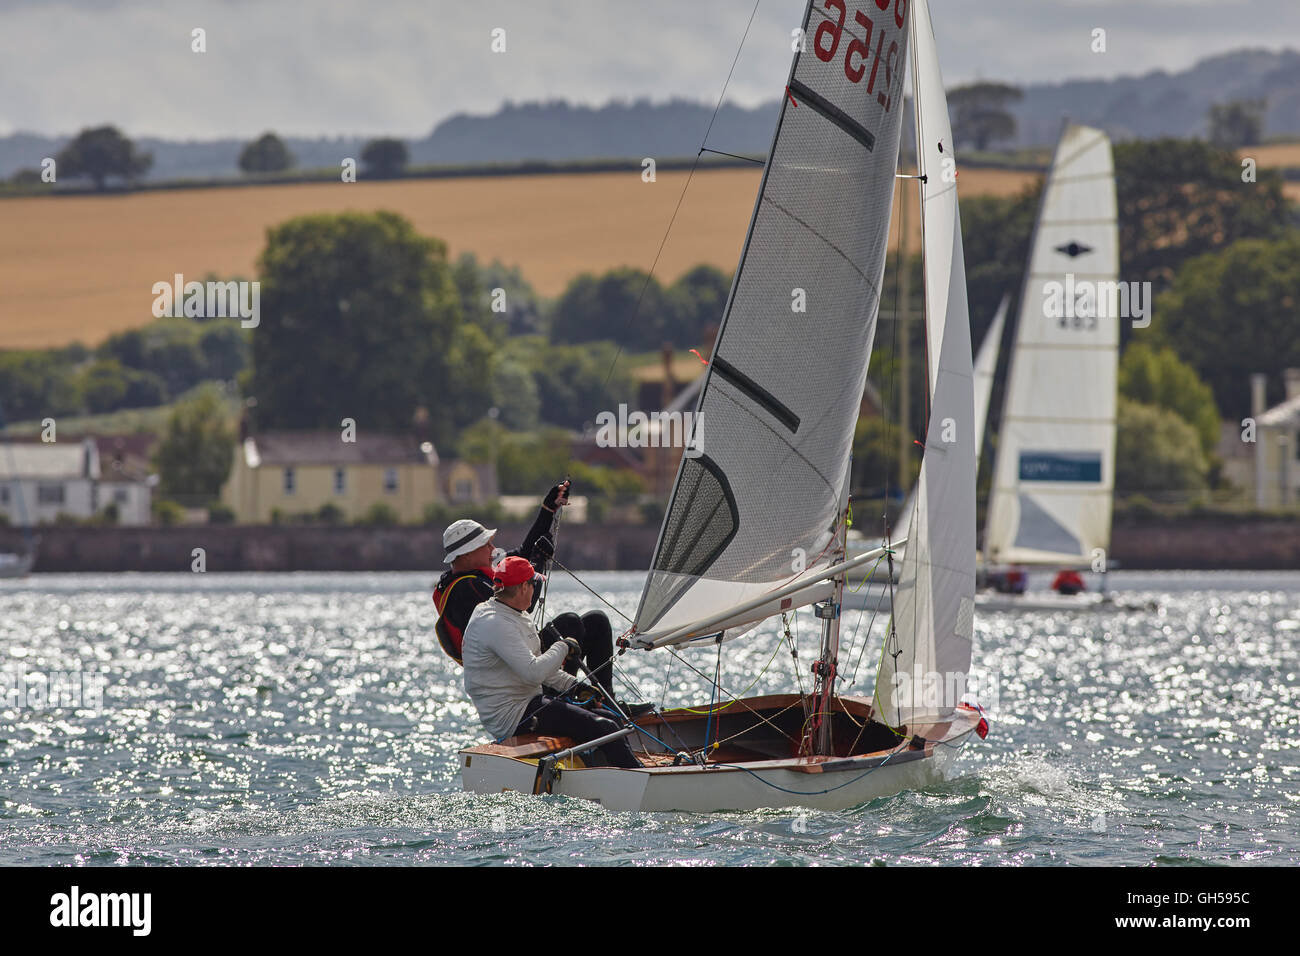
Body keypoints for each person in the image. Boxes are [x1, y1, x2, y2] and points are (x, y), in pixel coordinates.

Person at [432, 479, 651, 718]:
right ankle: (565, 700)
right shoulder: (464, 590)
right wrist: (535, 564)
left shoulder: (479, 575)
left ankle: (607, 700)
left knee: (596, 622)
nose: (492, 548)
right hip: (517, 670)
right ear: (467, 554)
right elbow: (517, 603)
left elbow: (524, 553)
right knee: (570, 623)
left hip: (529, 655)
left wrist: (547, 511)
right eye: (486, 544)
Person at [462, 556, 642, 769]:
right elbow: (534, 672)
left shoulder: (511, 613)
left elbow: (541, 668)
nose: (535, 589)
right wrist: (563, 646)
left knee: (609, 718)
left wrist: (577, 687)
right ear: (522, 587)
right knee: (603, 726)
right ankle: (640, 777)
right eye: (533, 584)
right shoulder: (495, 623)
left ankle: (618, 771)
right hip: (514, 717)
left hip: (530, 703)